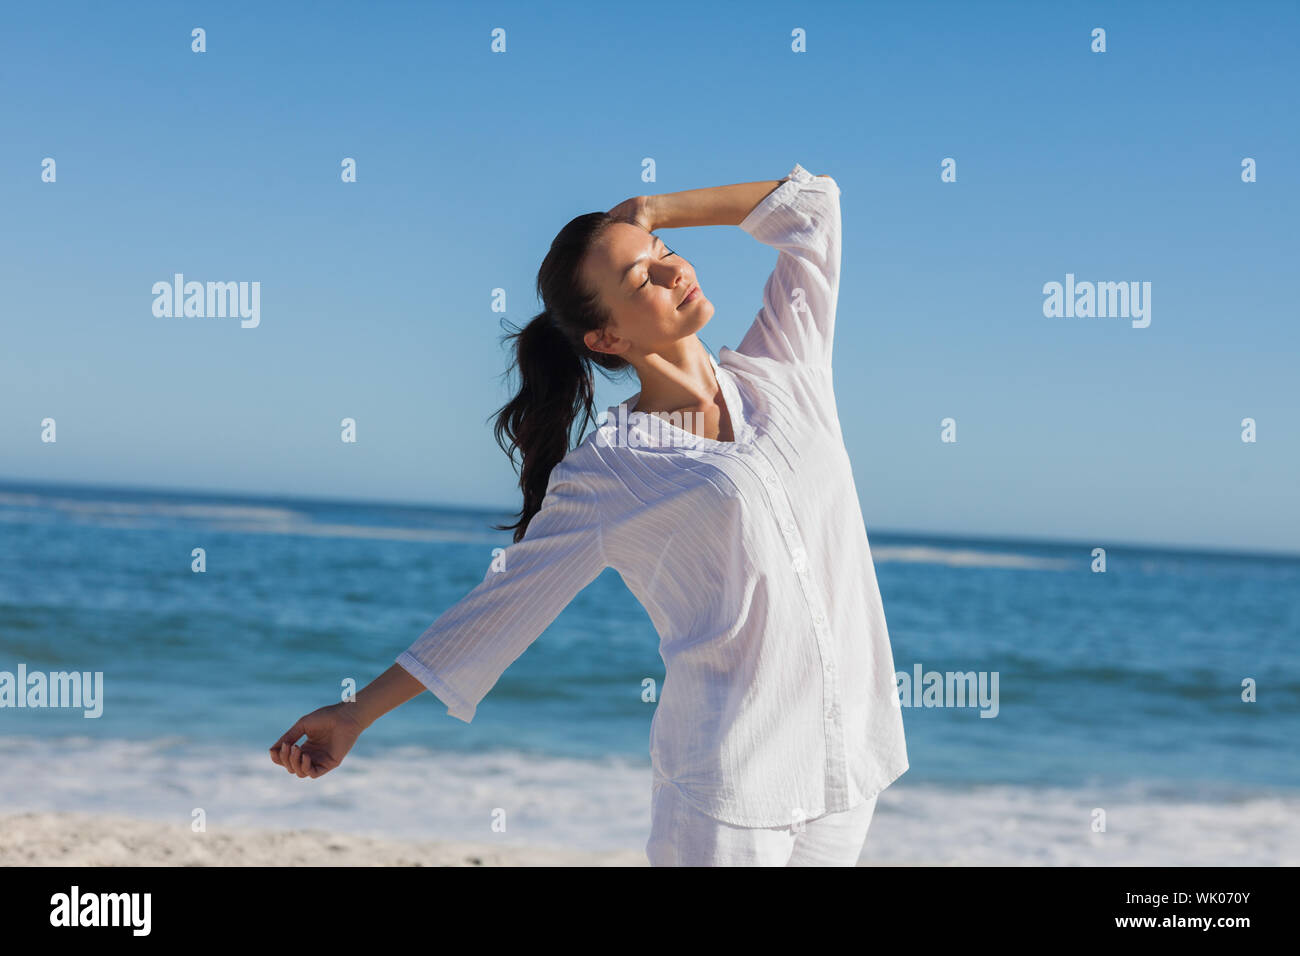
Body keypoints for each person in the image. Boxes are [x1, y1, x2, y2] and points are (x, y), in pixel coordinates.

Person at [270, 163, 909, 866]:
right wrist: (356, 713)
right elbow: (502, 609)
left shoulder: (785, 369)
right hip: (731, 784)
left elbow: (814, 208)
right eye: (641, 280)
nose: (671, 274)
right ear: (605, 339)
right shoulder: (610, 471)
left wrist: (652, 208)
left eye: (663, 255)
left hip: (845, 759)